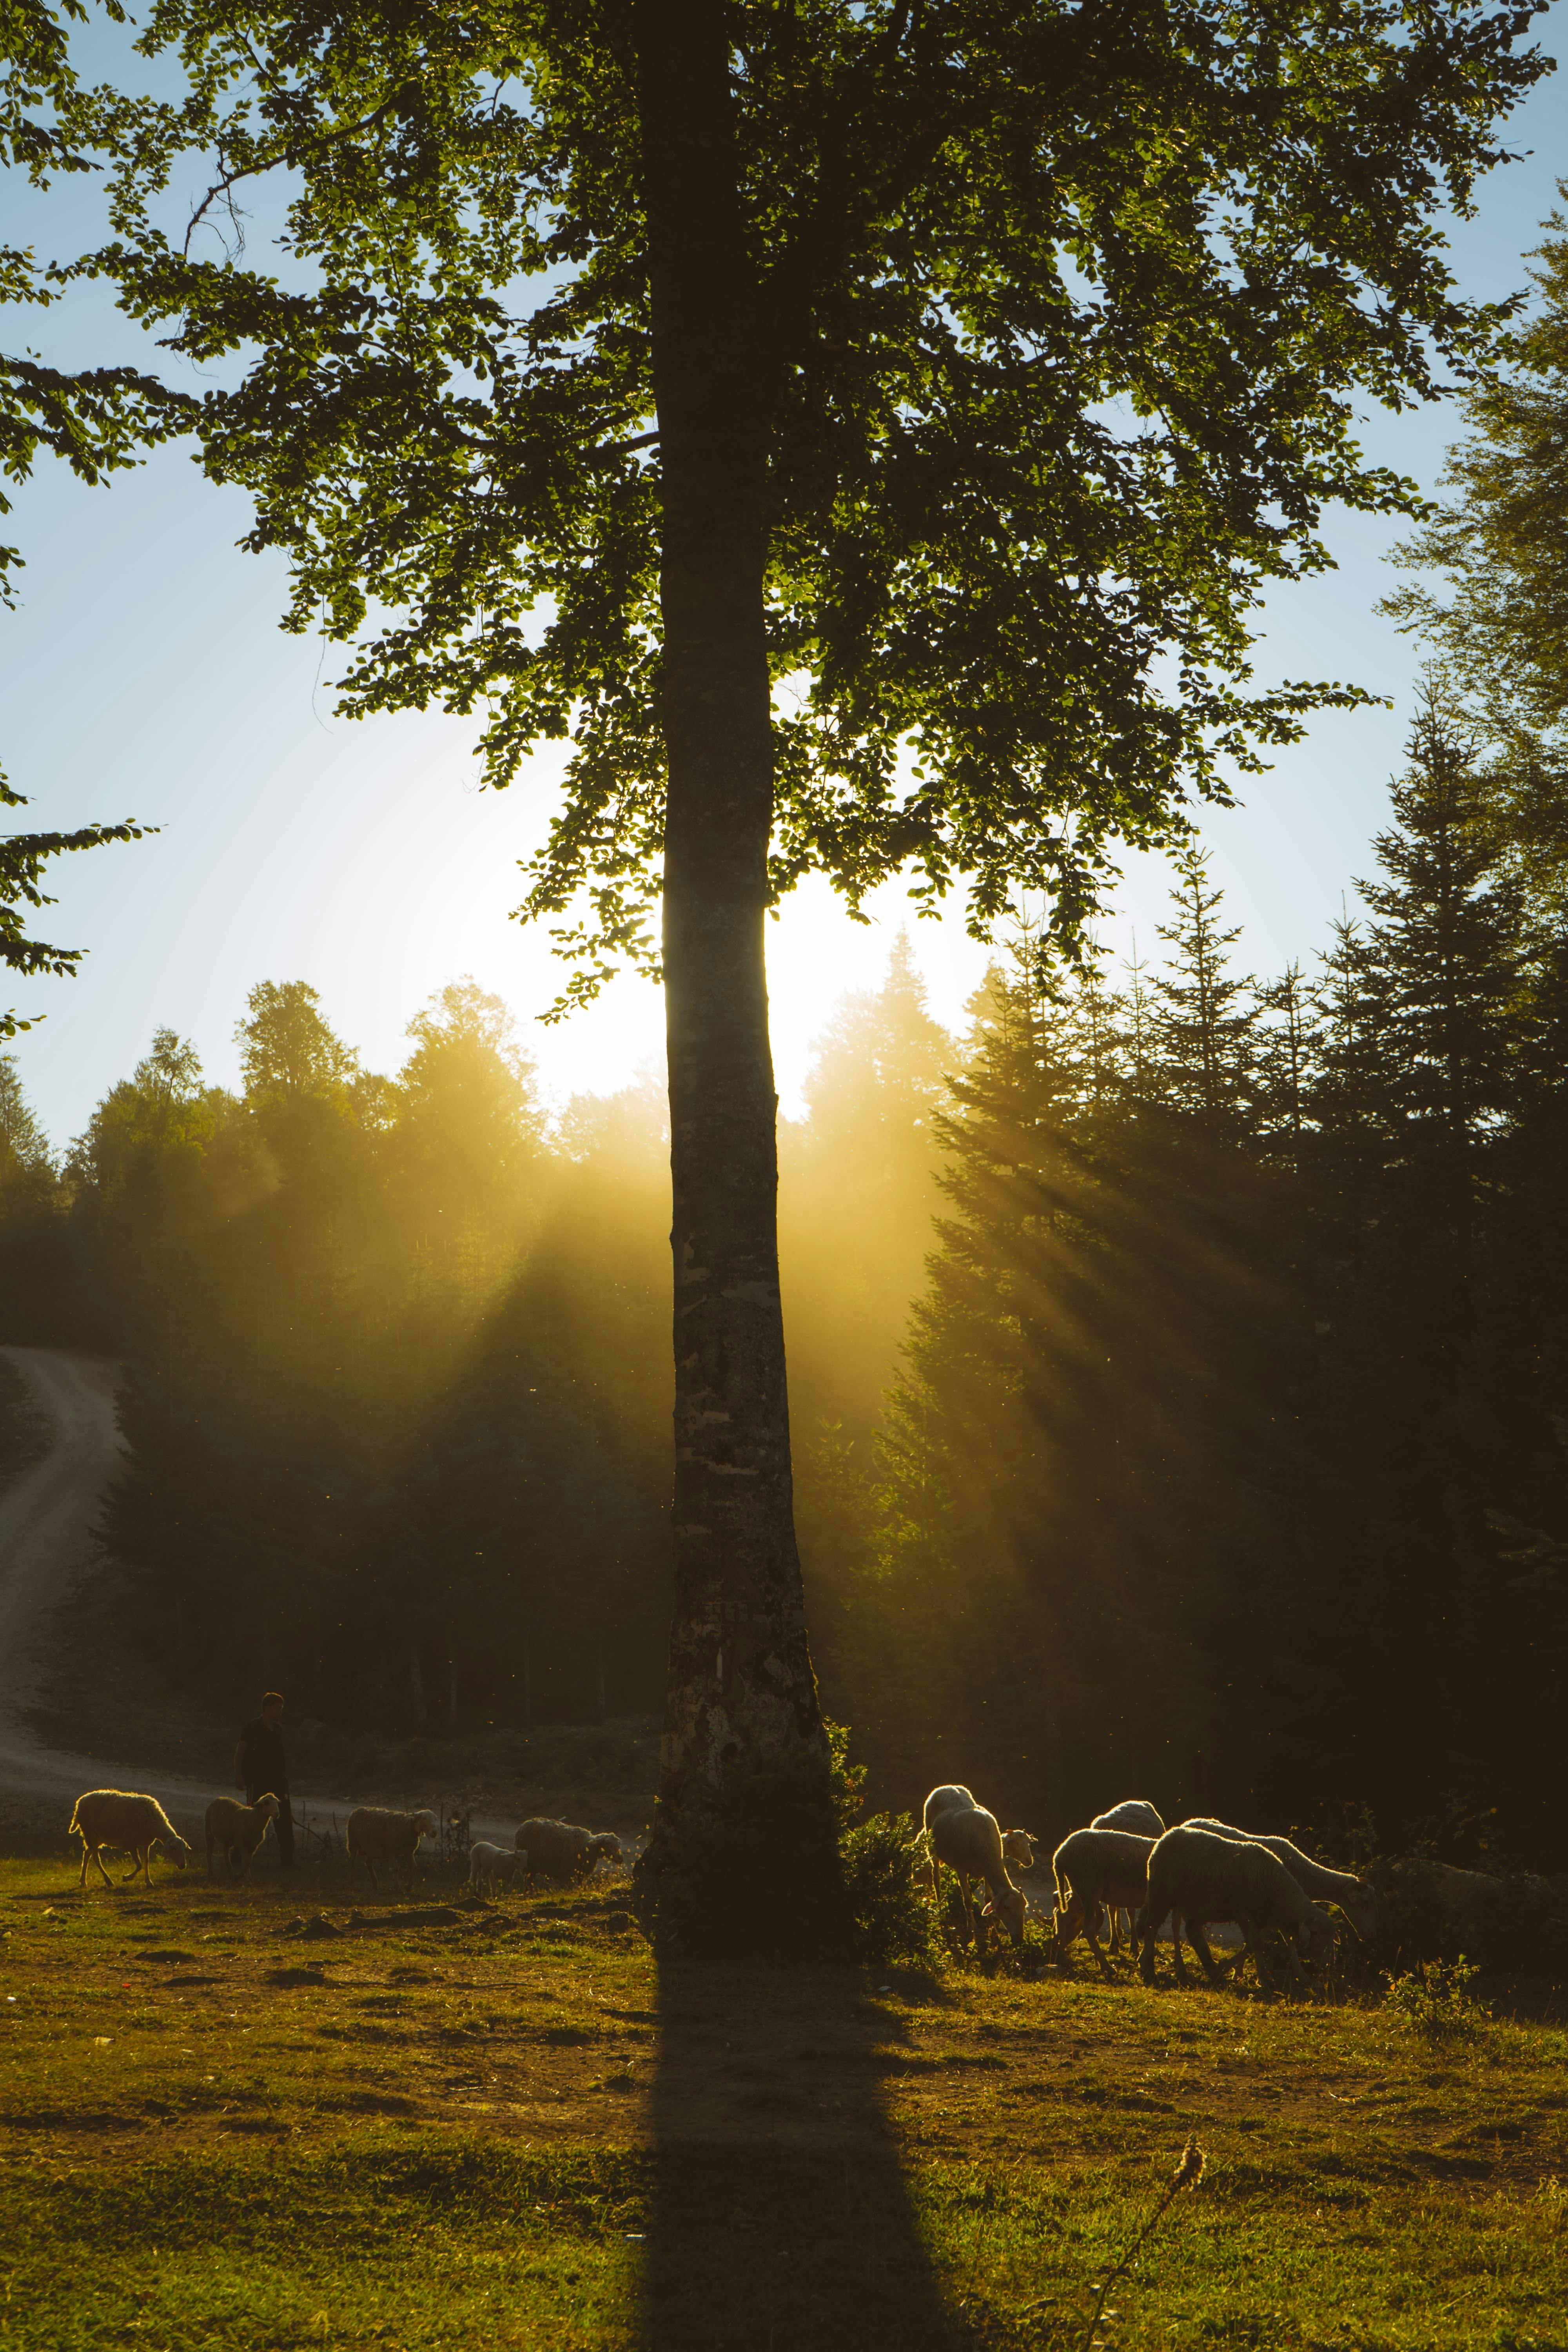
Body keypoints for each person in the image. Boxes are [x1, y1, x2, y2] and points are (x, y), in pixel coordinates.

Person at [234, 1690, 294, 1868]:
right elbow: (240, 1753)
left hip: (278, 1782)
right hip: (258, 1781)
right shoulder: (252, 1728)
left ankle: (288, 1861)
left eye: (281, 1709)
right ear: (267, 1708)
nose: (280, 1712)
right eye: (277, 1708)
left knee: (284, 1819)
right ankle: (238, 1859)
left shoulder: (278, 1729)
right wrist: (239, 1775)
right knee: (251, 1820)